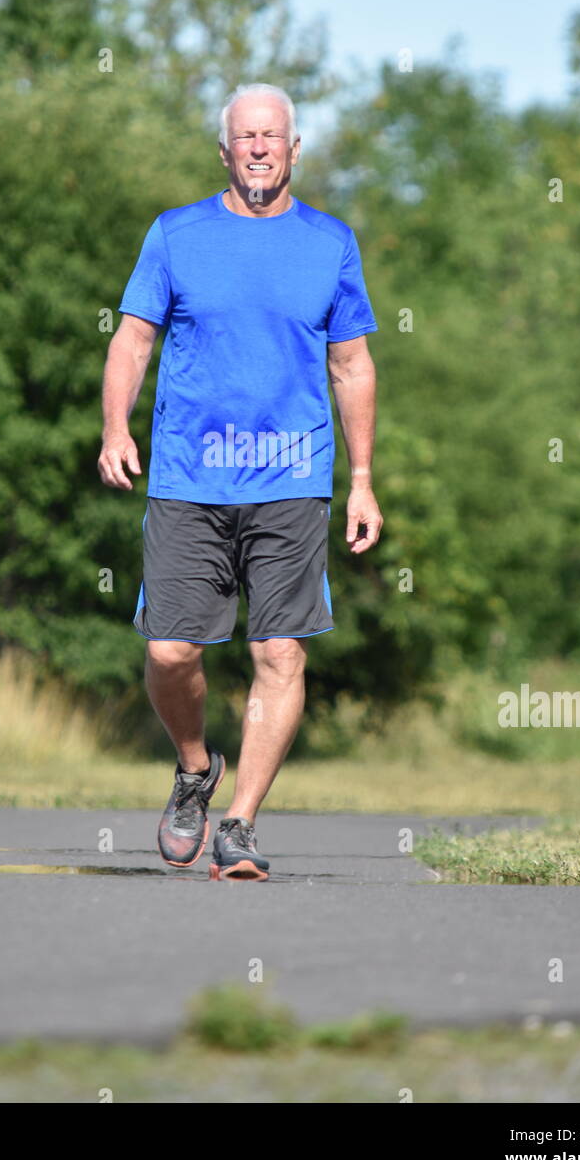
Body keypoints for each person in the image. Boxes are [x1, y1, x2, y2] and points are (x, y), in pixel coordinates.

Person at [97, 83, 382, 880]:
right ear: (225, 151)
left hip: (292, 478)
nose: (259, 148)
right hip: (189, 476)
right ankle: (195, 767)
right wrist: (117, 427)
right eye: (245, 137)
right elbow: (131, 340)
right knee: (170, 649)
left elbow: (352, 363)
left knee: (280, 653)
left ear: (295, 150)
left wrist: (360, 479)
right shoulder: (176, 235)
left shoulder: (330, 243)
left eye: (273, 136)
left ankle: (242, 824)